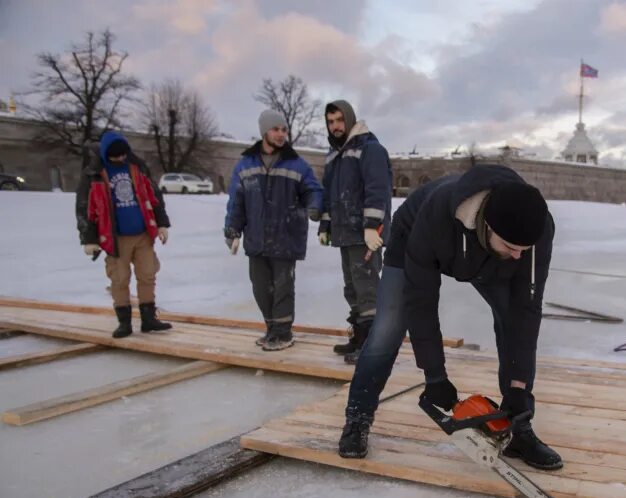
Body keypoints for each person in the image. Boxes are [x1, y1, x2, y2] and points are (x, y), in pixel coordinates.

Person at [338, 164, 563, 472]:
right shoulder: (436, 219)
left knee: (513, 322)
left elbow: (526, 313)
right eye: (512, 247)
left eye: (524, 250)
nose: (519, 256)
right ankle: (357, 418)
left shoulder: (532, 235)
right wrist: (435, 376)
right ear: (487, 227)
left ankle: (518, 430)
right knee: (387, 329)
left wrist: (518, 390)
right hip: (416, 239)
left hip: (483, 254)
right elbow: (422, 302)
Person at [224, 109, 324, 351]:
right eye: (275, 129)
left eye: (284, 130)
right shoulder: (245, 164)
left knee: (282, 288)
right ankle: (271, 328)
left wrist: (314, 207)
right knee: (260, 288)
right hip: (257, 238)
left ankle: (282, 332)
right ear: (264, 132)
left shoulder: (297, 164)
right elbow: (236, 201)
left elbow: (313, 190)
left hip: (286, 235)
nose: (281, 134)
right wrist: (232, 230)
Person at [76, 130, 172, 338]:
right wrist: (89, 239)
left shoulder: (136, 169)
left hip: (143, 234)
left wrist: (162, 224)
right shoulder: (94, 175)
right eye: (115, 155)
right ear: (106, 154)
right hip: (115, 238)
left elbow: (154, 197)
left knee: (147, 275)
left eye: (123, 154)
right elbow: (85, 208)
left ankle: (148, 319)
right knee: (119, 280)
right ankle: (124, 322)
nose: (120, 159)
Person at [318, 100, 392, 363]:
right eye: (330, 122)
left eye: (339, 120)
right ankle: (360, 339)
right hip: (345, 234)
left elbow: (377, 190)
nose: (335, 126)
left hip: (366, 236)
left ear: (349, 119)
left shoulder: (370, 149)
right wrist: (325, 225)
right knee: (353, 289)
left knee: (368, 289)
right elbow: (329, 194)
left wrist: (372, 227)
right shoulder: (334, 154)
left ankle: (373, 348)